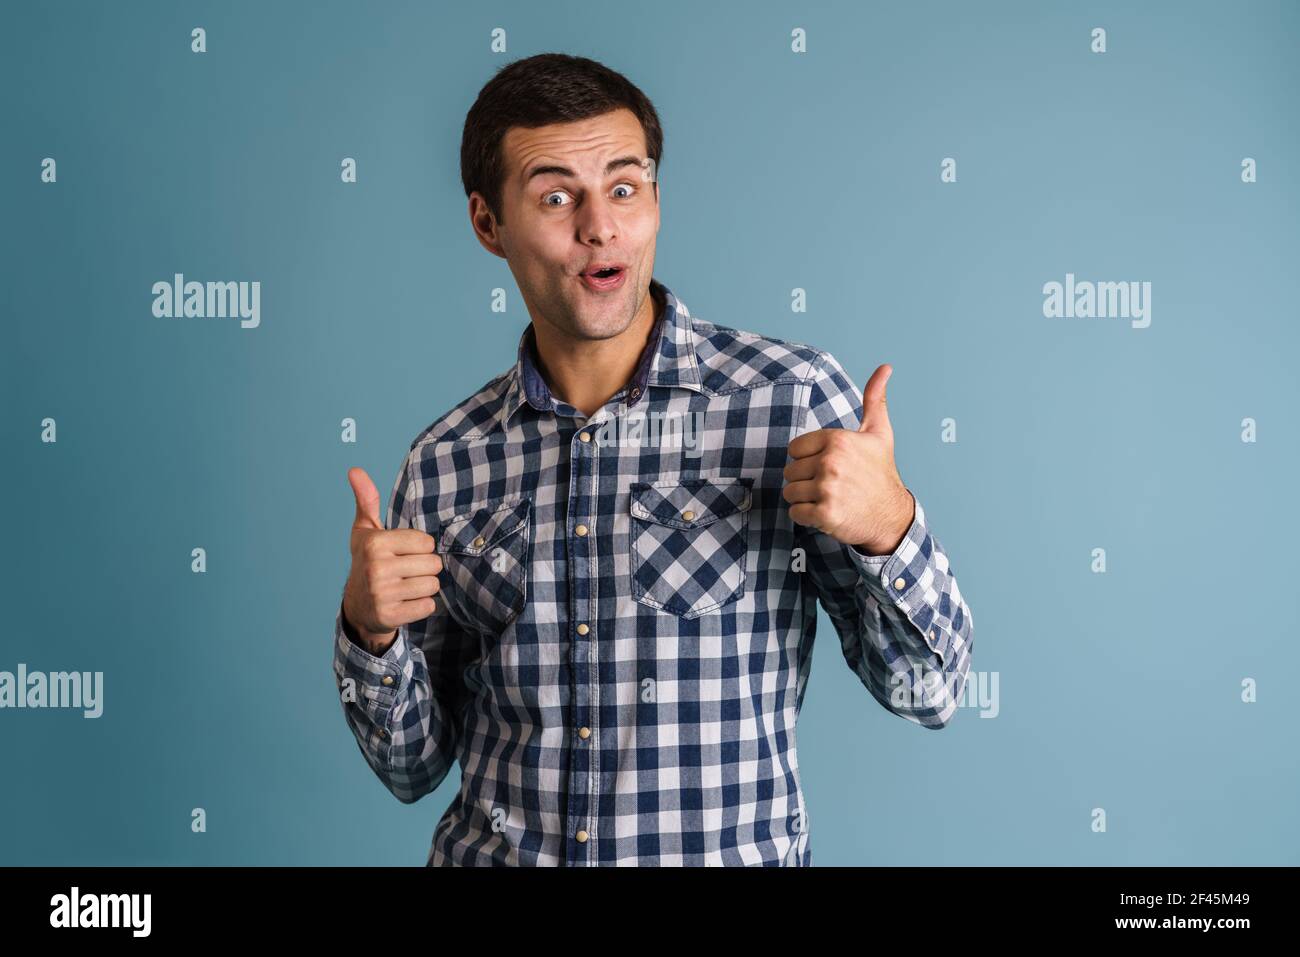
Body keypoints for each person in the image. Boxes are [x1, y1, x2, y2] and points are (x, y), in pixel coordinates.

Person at [332, 52, 974, 866]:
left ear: (656, 201)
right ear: (487, 224)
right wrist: (368, 631)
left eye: (625, 188)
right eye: (556, 195)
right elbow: (411, 765)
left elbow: (931, 690)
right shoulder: (445, 461)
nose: (600, 225)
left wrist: (891, 525)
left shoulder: (789, 401)